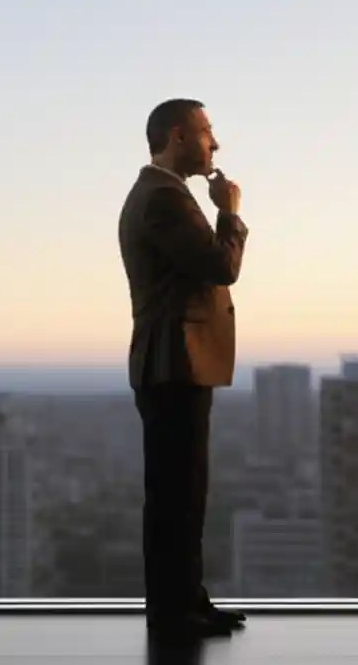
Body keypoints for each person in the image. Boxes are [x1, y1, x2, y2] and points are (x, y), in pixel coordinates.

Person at [117, 98, 250, 641]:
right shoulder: (164, 199)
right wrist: (231, 211)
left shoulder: (162, 195)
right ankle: (174, 613)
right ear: (176, 137)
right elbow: (221, 266)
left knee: (183, 491)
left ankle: (186, 601)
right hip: (175, 362)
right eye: (206, 132)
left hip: (179, 363)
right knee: (176, 494)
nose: (214, 144)